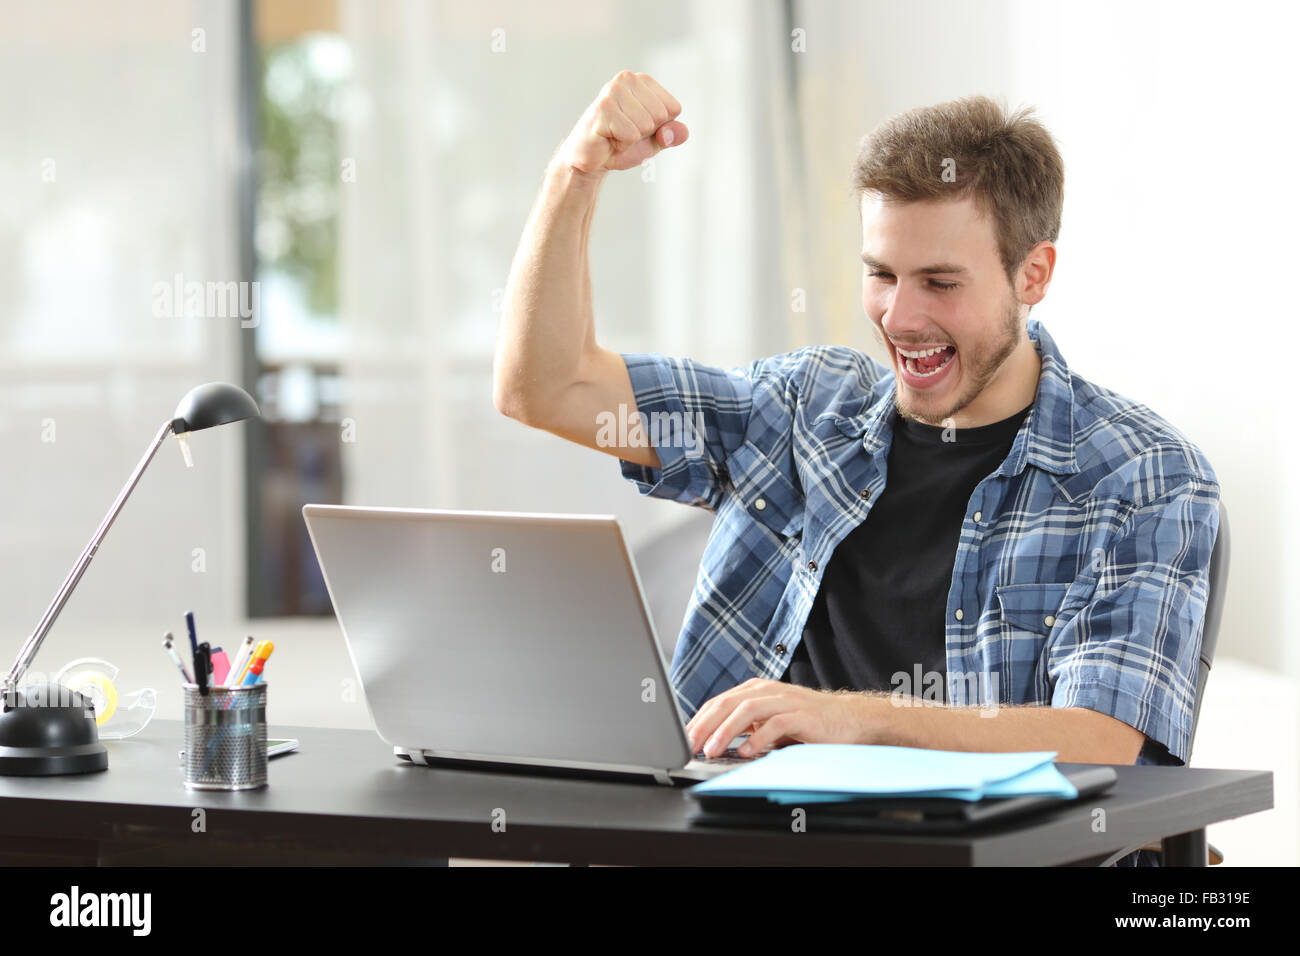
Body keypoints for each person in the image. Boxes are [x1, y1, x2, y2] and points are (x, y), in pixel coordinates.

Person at [493, 72, 1220, 864]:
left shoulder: (1140, 475)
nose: (901, 318)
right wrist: (575, 172)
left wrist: (844, 717)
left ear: (1033, 275)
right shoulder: (797, 412)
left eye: (941, 283)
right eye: (881, 274)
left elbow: (1100, 739)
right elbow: (545, 385)